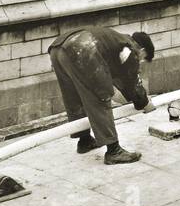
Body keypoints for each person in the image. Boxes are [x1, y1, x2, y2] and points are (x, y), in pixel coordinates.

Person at [48, 27, 156, 165]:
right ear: (143, 51)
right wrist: (144, 102)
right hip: (81, 49)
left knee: (74, 95)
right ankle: (114, 151)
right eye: (143, 59)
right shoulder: (130, 49)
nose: (139, 62)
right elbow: (131, 81)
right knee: (100, 95)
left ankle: (84, 140)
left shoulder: (116, 41)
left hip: (58, 48)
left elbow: (118, 78)